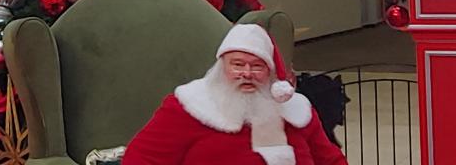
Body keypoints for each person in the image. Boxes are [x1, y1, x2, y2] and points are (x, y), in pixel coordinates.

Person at [123, 24, 348, 165]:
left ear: (270, 73)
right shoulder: (188, 107)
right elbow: (141, 159)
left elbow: (330, 160)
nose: (247, 74)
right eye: (238, 65)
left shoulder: (297, 110)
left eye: (257, 66)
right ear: (222, 68)